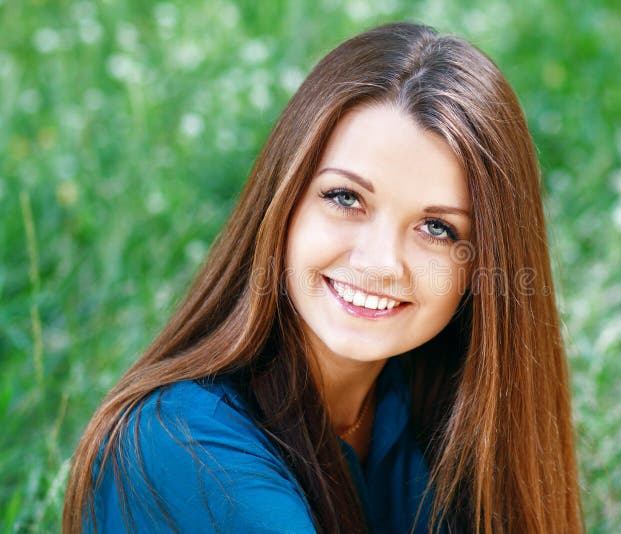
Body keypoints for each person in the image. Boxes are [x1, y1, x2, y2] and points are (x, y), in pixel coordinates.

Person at [63, 21, 583, 533]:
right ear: (284, 202)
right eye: (345, 198)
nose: (380, 262)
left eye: (436, 228)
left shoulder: (436, 412)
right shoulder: (183, 442)